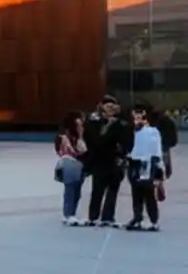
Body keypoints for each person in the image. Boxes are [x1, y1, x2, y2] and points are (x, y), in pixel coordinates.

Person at [83, 95, 128, 227]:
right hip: (99, 161)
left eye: (113, 106)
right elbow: (96, 141)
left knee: (113, 191)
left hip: (115, 161)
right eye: (107, 106)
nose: (110, 109)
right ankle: (93, 216)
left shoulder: (120, 123)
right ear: (101, 107)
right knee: (97, 190)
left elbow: (125, 142)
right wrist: (108, 126)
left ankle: (108, 216)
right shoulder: (94, 123)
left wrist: (122, 157)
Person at [126, 104, 165, 232]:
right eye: (134, 118)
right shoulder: (131, 132)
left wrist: (159, 169)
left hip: (148, 164)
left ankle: (153, 220)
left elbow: (157, 151)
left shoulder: (152, 132)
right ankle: (138, 218)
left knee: (149, 194)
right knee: (136, 193)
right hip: (135, 163)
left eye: (139, 117)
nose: (136, 121)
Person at [54, 111, 88, 225]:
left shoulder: (80, 136)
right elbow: (79, 150)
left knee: (77, 191)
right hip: (69, 162)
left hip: (80, 163)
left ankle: (72, 213)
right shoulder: (64, 136)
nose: (81, 124)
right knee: (70, 190)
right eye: (79, 121)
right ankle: (68, 214)